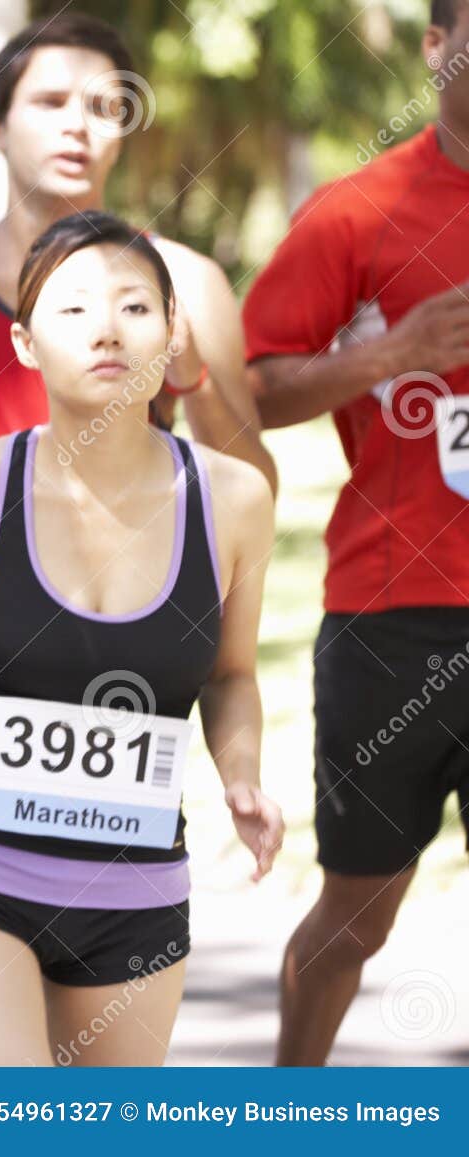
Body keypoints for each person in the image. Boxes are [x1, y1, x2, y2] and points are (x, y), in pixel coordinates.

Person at [0, 14, 279, 903]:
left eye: (104, 106)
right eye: (50, 102)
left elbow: (249, 493)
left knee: (102, 972)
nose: (78, 125)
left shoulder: (184, 284)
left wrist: (193, 369)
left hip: (115, 696)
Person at [0, 211, 280, 1065]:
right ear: (24, 343)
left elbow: (232, 675)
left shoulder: (235, 500)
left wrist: (242, 779)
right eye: (74, 309)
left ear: (172, 337)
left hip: (135, 886)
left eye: (135, 308)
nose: (106, 331)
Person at [247, 0, 469, 1067]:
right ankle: (291, 1106)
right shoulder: (358, 210)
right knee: (356, 913)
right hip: (394, 615)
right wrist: (392, 354)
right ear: (436, 48)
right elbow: (251, 386)